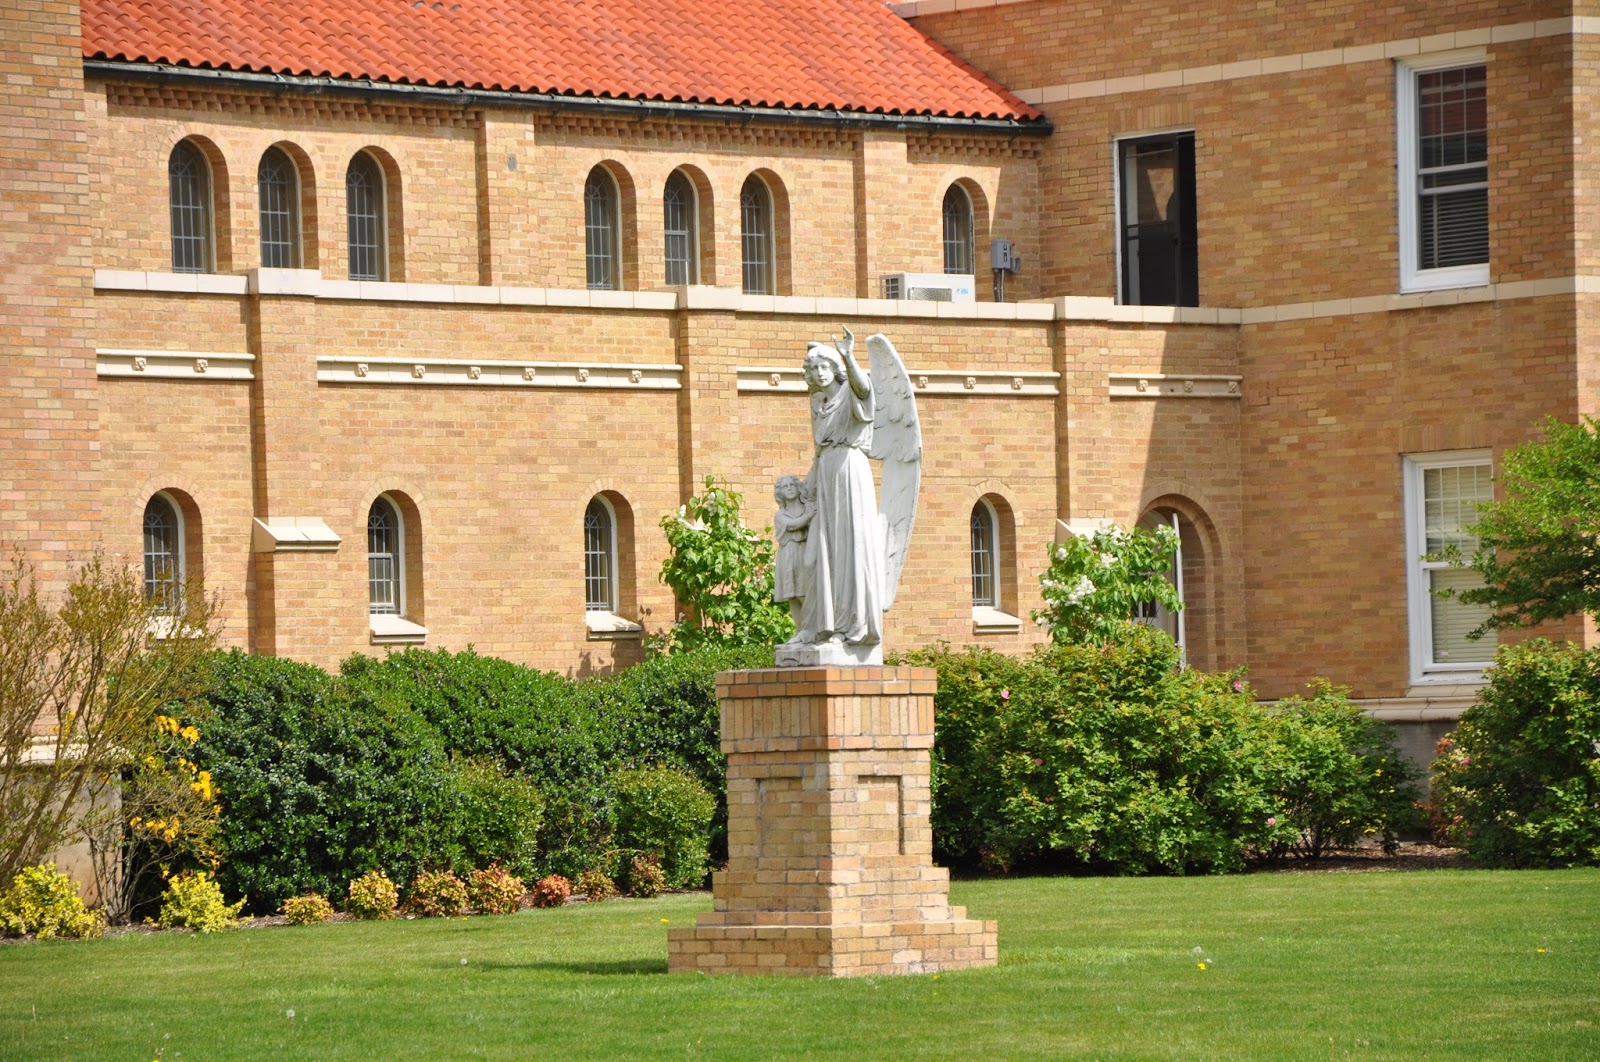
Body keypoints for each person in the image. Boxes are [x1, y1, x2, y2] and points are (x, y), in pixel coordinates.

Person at [790, 329, 886, 648]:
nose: (819, 373)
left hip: (849, 470)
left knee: (848, 549)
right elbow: (819, 451)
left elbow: (864, 389)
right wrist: (808, 484)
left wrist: (848, 356)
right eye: (813, 368)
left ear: (834, 368)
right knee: (817, 555)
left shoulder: (851, 392)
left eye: (824, 367)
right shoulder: (818, 401)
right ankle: (818, 626)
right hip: (826, 474)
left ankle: (849, 627)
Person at [772, 474, 815, 627]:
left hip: (804, 551)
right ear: (780, 493)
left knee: (804, 591)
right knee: (793, 594)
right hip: (787, 554)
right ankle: (800, 629)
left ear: (798, 488)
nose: (789, 488)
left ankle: (811, 627)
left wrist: (809, 514)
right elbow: (792, 525)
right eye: (785, 487)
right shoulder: (780, 515)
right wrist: (809, 517)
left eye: (792, 485)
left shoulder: (808, 507)